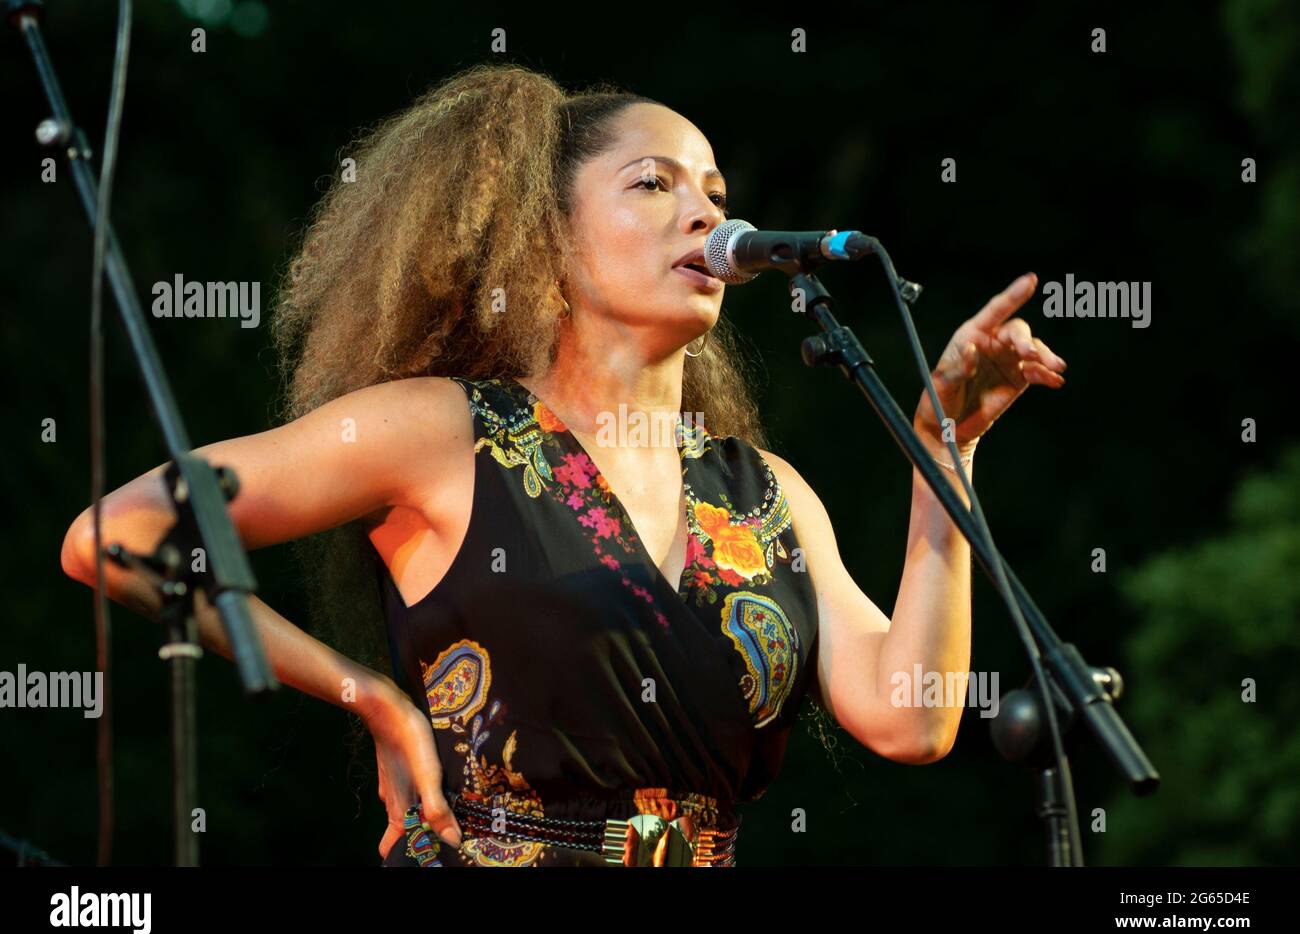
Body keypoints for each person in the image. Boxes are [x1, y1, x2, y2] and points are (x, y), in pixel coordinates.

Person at [60, 64, 1066, 867]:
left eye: (715, 192)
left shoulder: (764, 493)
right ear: (545, 241)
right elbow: (121, 531)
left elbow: (912, 719)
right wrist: (366, 694)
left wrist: (948, 451)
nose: (706, 215)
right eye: (654, 184)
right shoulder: (440, 431)